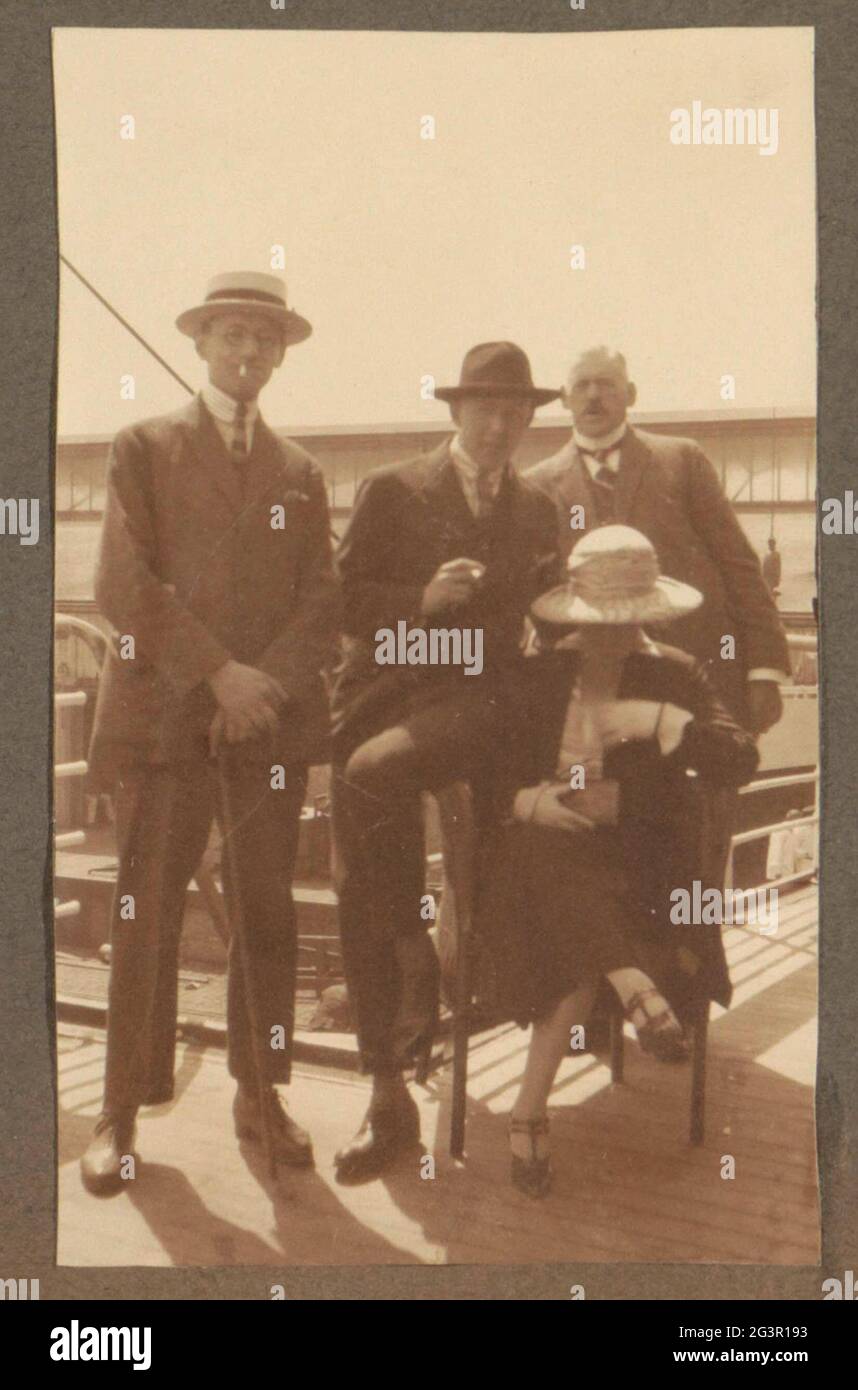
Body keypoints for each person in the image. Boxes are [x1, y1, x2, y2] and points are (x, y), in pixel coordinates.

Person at [80, 271, 339, 1194]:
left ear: (281, 353)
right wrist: (218, 673)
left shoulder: (302, 474)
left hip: (263, 725)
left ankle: (259, 1093)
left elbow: (322, 599)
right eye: (233, 334)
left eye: (266, 340)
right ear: (200, 343)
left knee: (266, 915)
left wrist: (263, 687)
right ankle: (120, 1107)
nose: (250, 353)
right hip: (167, 720)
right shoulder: (142, 447)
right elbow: (122, 583)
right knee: (146, 911)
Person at [330, 341, 561, 1182]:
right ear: (456, 411)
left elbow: (547, 614)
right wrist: (420, 604)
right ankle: (387, 1082)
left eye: (516, 411)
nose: (500, 425)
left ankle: (432, 956)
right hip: (392, 689)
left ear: (529, 419)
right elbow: (345, 605)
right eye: (486, 408)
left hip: (484, 707)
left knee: (371, 776)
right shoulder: (391, 489)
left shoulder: (538, 508)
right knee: (362, 846)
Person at [471, 526, 759, 1198]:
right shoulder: (538, 675)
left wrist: (667, 722)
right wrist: (530, 800)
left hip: (637, 867)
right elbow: (483, 777)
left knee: (573, 946)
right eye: (604, 625)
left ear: (650, 616)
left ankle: (529, 1115)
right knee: (543, 850)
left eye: (630, 624)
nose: (617, 638)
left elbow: (738, 758)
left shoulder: (674, 674)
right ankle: (634, 987)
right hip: (542, 855)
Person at [524, 347, 789, 733]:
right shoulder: (537, 486)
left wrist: (764, 671)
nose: (594, 395)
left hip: (697, 680)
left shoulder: (682, 459)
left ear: (631, 394)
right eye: (582, 385)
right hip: (596, 696)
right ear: (564, 398)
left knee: (710, 783)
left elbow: (739, 566)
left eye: (607, 385)